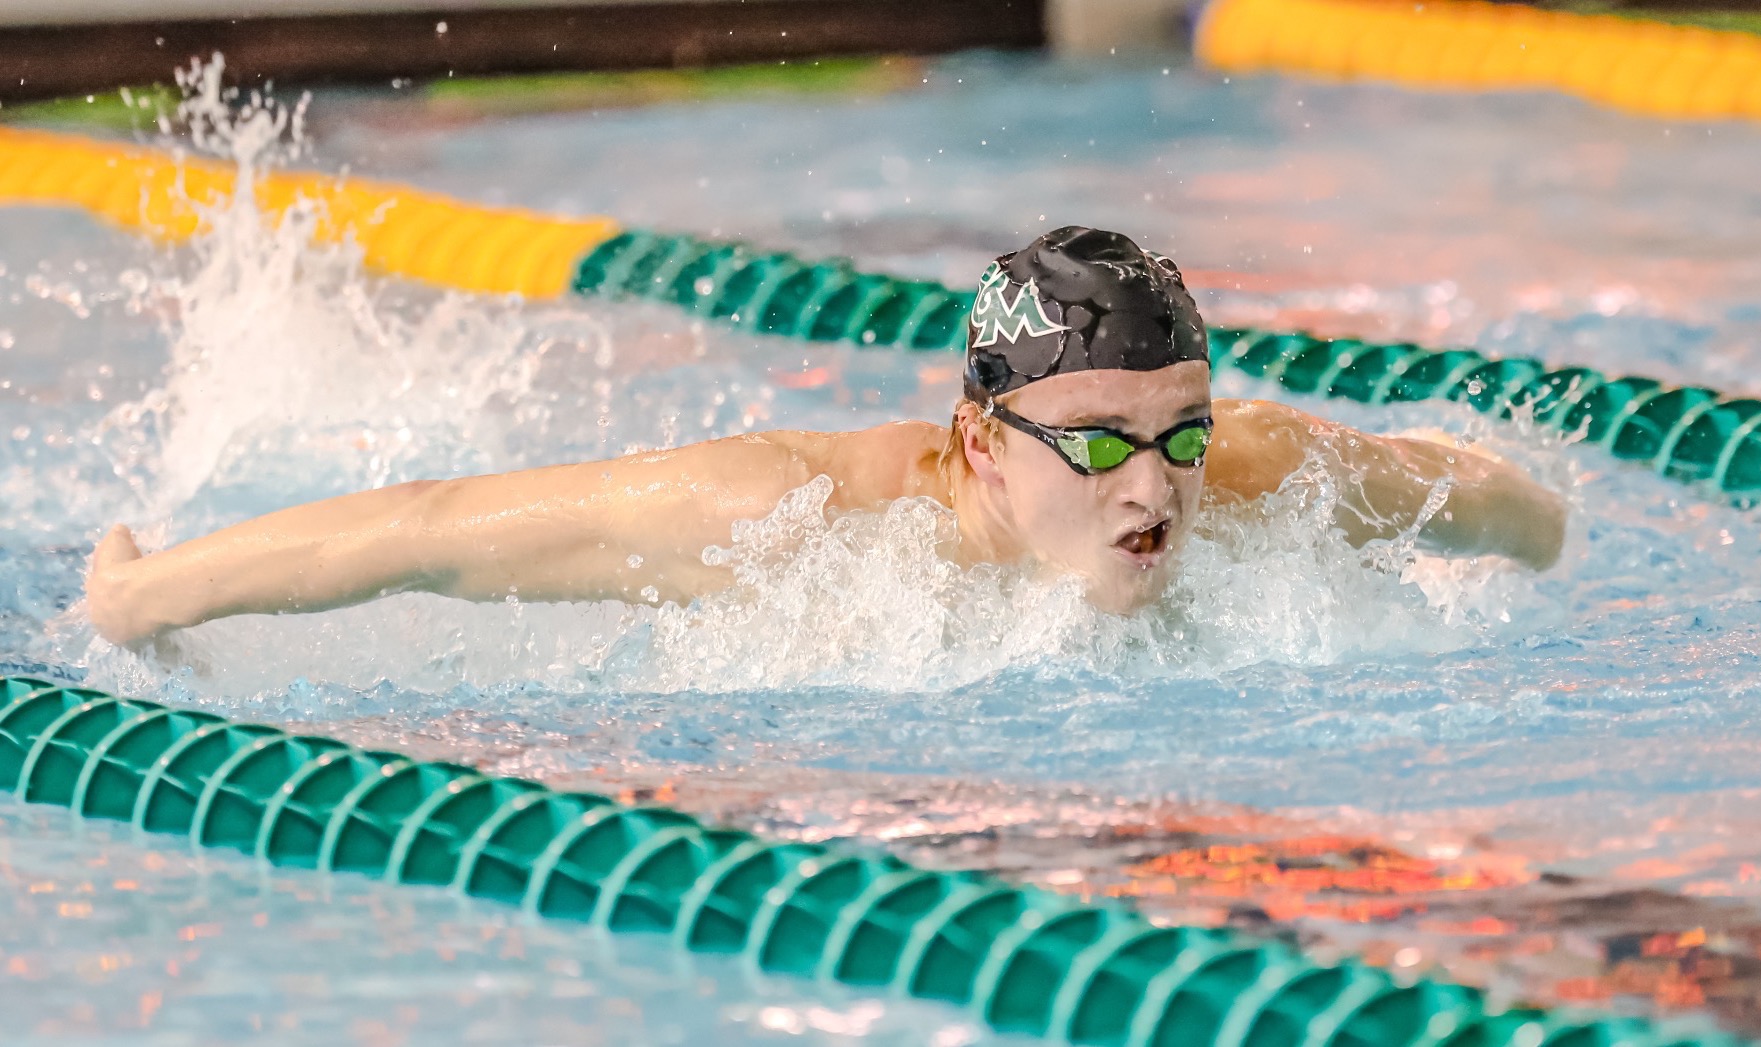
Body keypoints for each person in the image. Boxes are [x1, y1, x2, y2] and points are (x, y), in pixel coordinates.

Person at [85, 226, 1567, 648]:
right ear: (979, 443)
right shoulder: (791, 525)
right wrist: (144, 596)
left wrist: (1541, 544)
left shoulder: (1246, 479)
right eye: (1095, 442)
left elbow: (1501, 506)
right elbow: (425, 528)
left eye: (1175, 432)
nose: (1158, 483)